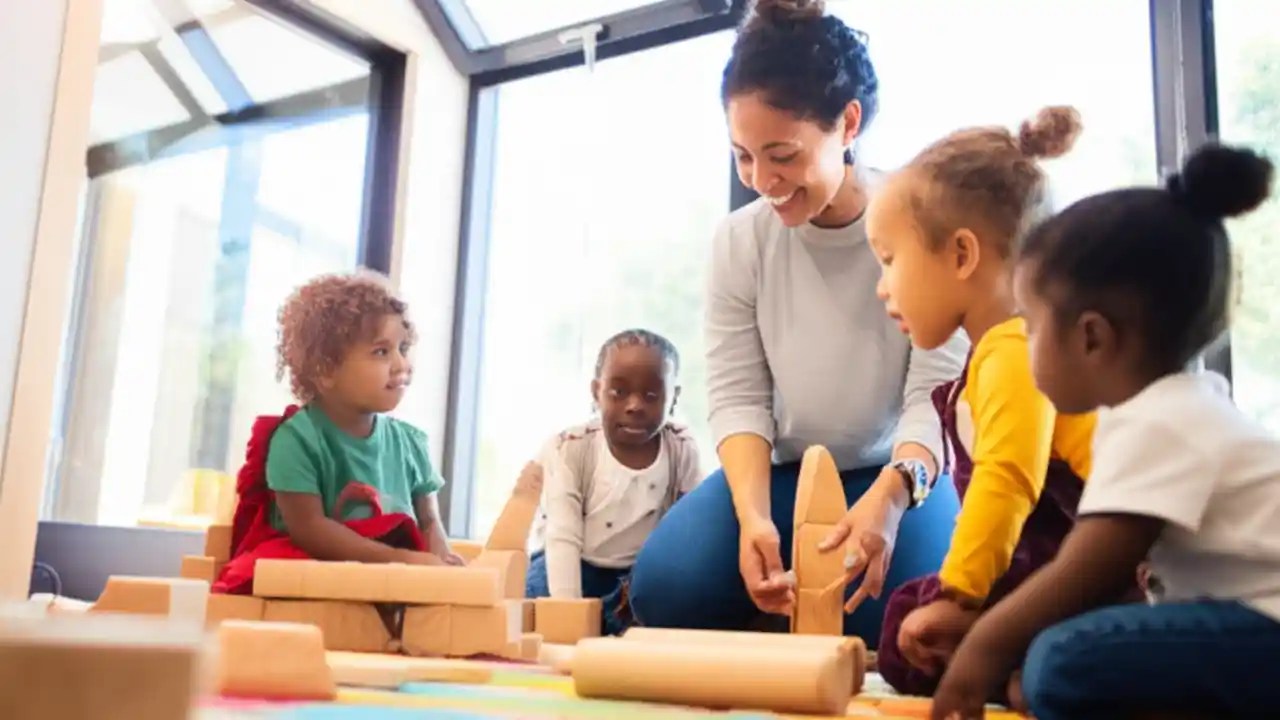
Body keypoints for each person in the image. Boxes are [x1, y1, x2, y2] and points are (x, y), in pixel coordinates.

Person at [627, 0, 967, 644]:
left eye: (781, 154)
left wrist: (894, 496)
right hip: (780, 471)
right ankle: (775, 600)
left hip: (890, 472)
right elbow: (738, 397)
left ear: (848, 122)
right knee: (666, 591)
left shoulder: (923, 224)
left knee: (891, 616)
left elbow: (935, 394)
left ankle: (781, 613)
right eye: (743, 156)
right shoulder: (739, 241)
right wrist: (754, 517)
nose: (763, 180)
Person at [930, 144, 1280, 720]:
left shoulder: (1158, 421)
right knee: (1066, 658)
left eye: (1031, 325)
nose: (1025, 343)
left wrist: (980, 656)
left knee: (1064, 661)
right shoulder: (1177, 407)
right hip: (1245, 619)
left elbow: (1085, 571)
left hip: (1266, 625)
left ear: (1091, 337)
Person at [865, 106, 1100, 696]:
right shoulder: (998, 351)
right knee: (904, 625)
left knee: (916, 627)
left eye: (890, 260)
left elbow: (1007, 480)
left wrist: (960, 594)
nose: (881, 285)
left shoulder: (1015, 351)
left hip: (1112, 568)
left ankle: (1027, 668)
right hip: (1056, 558)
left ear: (962, 255)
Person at [213, 272, 460, 594]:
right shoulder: (296, 439)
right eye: (381, 352)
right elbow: (309, 529)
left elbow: (428, 521)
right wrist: (398, 561)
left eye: (403, 347)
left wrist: (440, 561)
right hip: (320, 575)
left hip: (393, 577)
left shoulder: (410, 443)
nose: (402, 364)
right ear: (325, 370)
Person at [526, 330, 702, 632]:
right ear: (596, 392)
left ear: (673, 398)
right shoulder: (571, 447)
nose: (634, 406)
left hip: (633, 578)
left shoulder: (680, 448)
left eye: (651, 395)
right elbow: (563, 535)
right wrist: (567, 618)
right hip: (569, 564)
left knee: (668, 600)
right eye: (618, 393)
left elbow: (691, 530)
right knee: (537, 605)